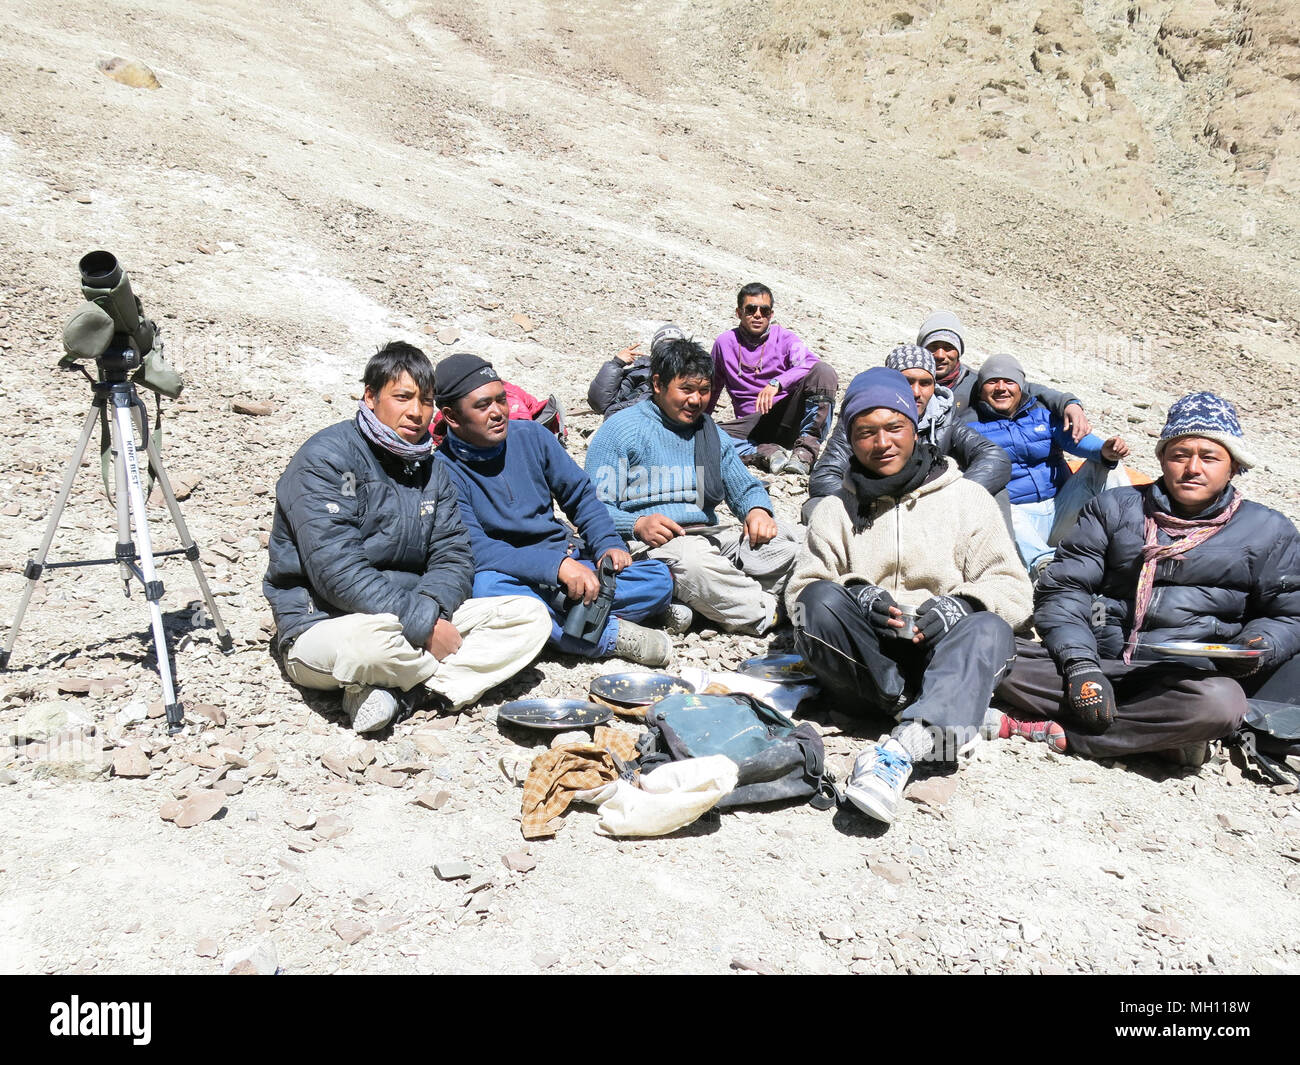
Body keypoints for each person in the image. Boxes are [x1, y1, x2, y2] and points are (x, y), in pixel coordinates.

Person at [993, 391, 1300, 766]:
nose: (1193, 468)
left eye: (1209, 457)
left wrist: (1258, 647)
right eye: (1180, 455)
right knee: (990, 650)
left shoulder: (1269, 531)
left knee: (1220, 705)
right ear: (1161, 458)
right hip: (1093, 661)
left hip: (1181, 680)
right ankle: (1158, 737)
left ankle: (1061, 732)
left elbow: (1290, 614)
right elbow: (1065, 587)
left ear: (1234, 466)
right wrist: (1080, 665)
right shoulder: (1115, 507)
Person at [263, 342, 551, 733]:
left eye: (426, 401)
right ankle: (433, 677)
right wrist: (425, 627)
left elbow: (454, 554)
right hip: (326, 620)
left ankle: (406, 694)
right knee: (370, 645)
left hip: (416, 613)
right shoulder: (326, 459)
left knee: (529, 617)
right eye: (403, 397)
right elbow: (336, 571)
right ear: (370, 396)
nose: (416, 412)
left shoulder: (430, 467)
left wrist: (432, 611)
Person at [789, 368, 1032, 824]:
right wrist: (857, 593)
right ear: (850, 439)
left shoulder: (967, 499)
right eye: (865, 432)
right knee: (818, 602)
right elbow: (800, 593)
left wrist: (963, 602)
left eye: (894, 428)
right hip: (871, 668)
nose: (882, 443)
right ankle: (941, 708)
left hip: (943, 650)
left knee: (990, 627)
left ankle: (901, 750)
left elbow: (1015, 590)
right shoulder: (833, 509)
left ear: (914, 424)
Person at [433, 352, 676, 667]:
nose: (498, 413)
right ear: (452, 416)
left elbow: (579, 495)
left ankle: (565, 618)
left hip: (570, 560)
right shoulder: (442, 470)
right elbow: (476, 548)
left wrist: (607, 543)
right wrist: (555, 567)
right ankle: (604, 636)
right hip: (513, 574)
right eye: (483, 406)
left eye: (501, 400)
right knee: (486, 589)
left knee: (659, 577)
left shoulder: (532, 435)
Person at [585, 336, 799, 635]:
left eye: (704, 391)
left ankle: (699, 606)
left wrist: (757, 511)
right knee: (693, 564)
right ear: (658, 384)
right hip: (651, 545)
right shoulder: (621, 430)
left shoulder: (708, 431)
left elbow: (743, 486)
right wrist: (637, 524)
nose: (696, 400)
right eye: (686, 389)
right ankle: (775, 612)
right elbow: (592, 509)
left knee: (796, 542)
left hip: (710, 534)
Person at [803, 343, 1011, 524]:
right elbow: (825, 476)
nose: (916, 392)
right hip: (873, 504)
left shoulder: (943, 416)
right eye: (907, 381)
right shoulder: (865, 416)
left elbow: (994, 457)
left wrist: (955, 497)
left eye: (925, 383)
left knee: (995, 494)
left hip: (930, 509)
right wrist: (876, 508)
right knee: (816, 507)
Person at [962, 353, 1129, 576]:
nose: (1001, 388)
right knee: (996, 508)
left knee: (1107, 465)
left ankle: (1131, 540)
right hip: (1018, 518)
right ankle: (1045, 570)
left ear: (1021, 386)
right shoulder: (970, 426)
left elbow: (1075, 439)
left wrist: (1104, 450)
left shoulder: (1041, 413)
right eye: (992, 382)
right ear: (981, 389)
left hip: (1061, 506)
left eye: (1009, 381)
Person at [710, 283, 839, 475]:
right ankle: (764, 454)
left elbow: (809, 362)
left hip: (785, 417)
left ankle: (805, 452)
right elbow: (711, 388)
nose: (758, 315)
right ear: (738, 312)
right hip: (750, 427)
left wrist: (778, 383)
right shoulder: (724, 343)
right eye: (751, 309)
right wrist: (696, 422)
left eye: (765, 310)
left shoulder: (785, 338)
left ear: (771, 314)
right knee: (707, 435)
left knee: (824, 372)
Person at [917, 310, 1091, 438]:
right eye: (932, 347)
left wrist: (1070, 404)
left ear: (959, 352)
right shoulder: (906, 380)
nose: (940, 355)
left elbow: (1026, 388)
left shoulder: (974, 381)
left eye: (948, 348)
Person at [587, 323, 684, 419]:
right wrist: (617, 363)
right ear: (654, 351)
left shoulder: (693, 377)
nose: (669, 352)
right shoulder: (639, 372)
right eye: (664, 347)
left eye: (676, 347)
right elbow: (600, 403)